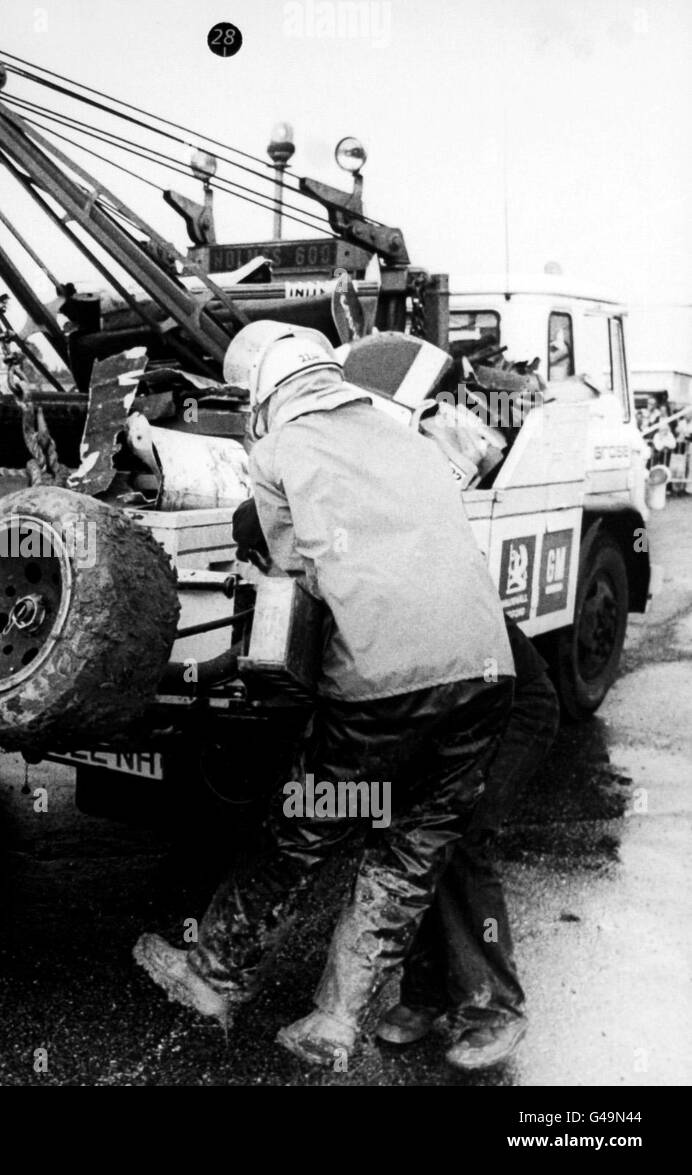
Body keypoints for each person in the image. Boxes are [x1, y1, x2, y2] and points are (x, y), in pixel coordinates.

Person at [134, 321, 515, 1067]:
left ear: (263, 396)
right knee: (409, 849)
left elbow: (291, 570)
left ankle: (212, 973)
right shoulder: (407, 435)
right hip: (485, 675)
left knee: (304, 826)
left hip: (382, 690)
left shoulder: (277, 452)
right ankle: (337, 1019)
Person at [375, 618, 557, 1068]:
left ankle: (495, 1008)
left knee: (461, 837)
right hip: (446, 716)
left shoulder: (393, 585)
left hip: (512, 706)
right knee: (409, 837)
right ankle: (426, 991)